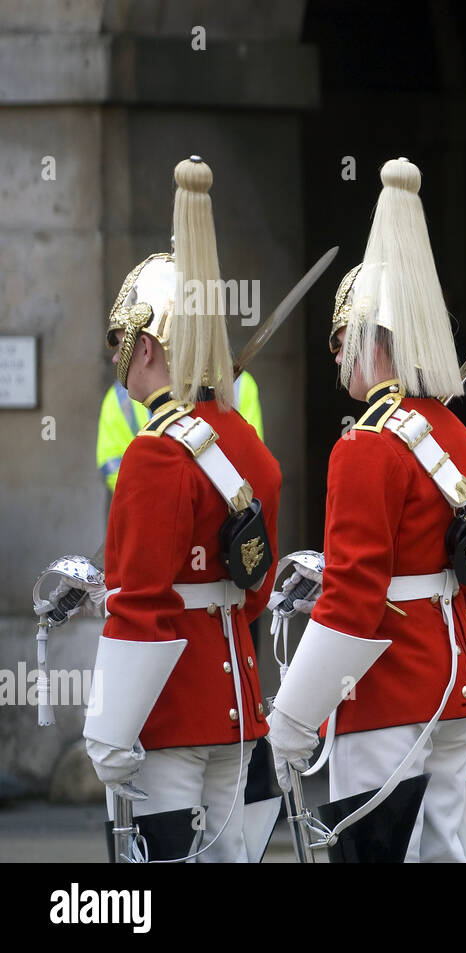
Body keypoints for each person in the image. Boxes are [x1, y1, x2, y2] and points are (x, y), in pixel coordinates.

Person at [267, 158, 466, 863]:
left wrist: (292, 717)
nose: (336, 354)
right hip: (456, 688)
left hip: (389, 698)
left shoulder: (365, 448)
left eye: (341, 338)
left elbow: (353, 600)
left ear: (369, 337)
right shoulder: (453, 432)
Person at [84, 156, 282, 862]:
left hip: (168, 716)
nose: (119, 360)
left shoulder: (153, 454)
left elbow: (139, 604)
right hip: (236, 704)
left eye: (121, 344)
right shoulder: (249, 448)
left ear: (146, 346)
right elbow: (254, 584)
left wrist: (109, 730)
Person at [97, 373, 263, 493]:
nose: (116, 357)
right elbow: (111, 463)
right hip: (153, 512)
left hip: (225, 511)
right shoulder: (119, 397)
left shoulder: (241, 384)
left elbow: (252, 459)